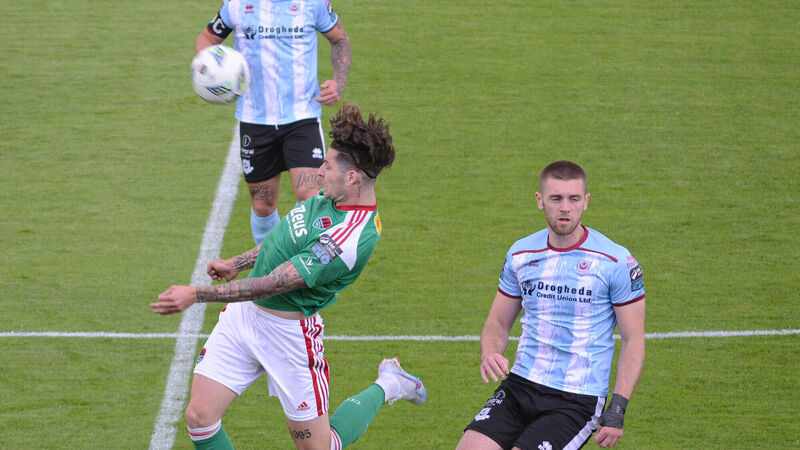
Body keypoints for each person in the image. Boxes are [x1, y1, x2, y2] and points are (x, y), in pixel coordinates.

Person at [151, 104, 426, 450]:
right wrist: (238, 261)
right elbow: (289, 237)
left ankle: (390, 383)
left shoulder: (349, 239)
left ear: (353, 178)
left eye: (327, 166)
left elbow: (270, 284)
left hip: (288, 336)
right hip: (244, 318)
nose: (319, 172)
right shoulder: (333, 196)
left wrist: (196, 294)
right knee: (199, 418)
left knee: (319, 447)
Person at [456, 161, 646, 450]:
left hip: (576, 399)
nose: (565, 208)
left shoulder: (615, 262)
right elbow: (497, 323)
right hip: (520, 385)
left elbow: (634, 340)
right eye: (556, 198)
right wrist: (490, 352)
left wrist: (617, 408)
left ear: (586, 201)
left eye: (574, 199)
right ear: (540, 200)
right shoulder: (521, 254)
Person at [196, 0, 352, 244]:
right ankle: (270, 262)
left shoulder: (312, 4)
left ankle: (301, 261)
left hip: (302, 117)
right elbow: (207, 38)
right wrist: (209, 71)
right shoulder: (237, 5)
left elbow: (340, 39)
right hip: (255, 120)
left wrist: (337, 84)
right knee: (263, 205)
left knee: (310, 197)